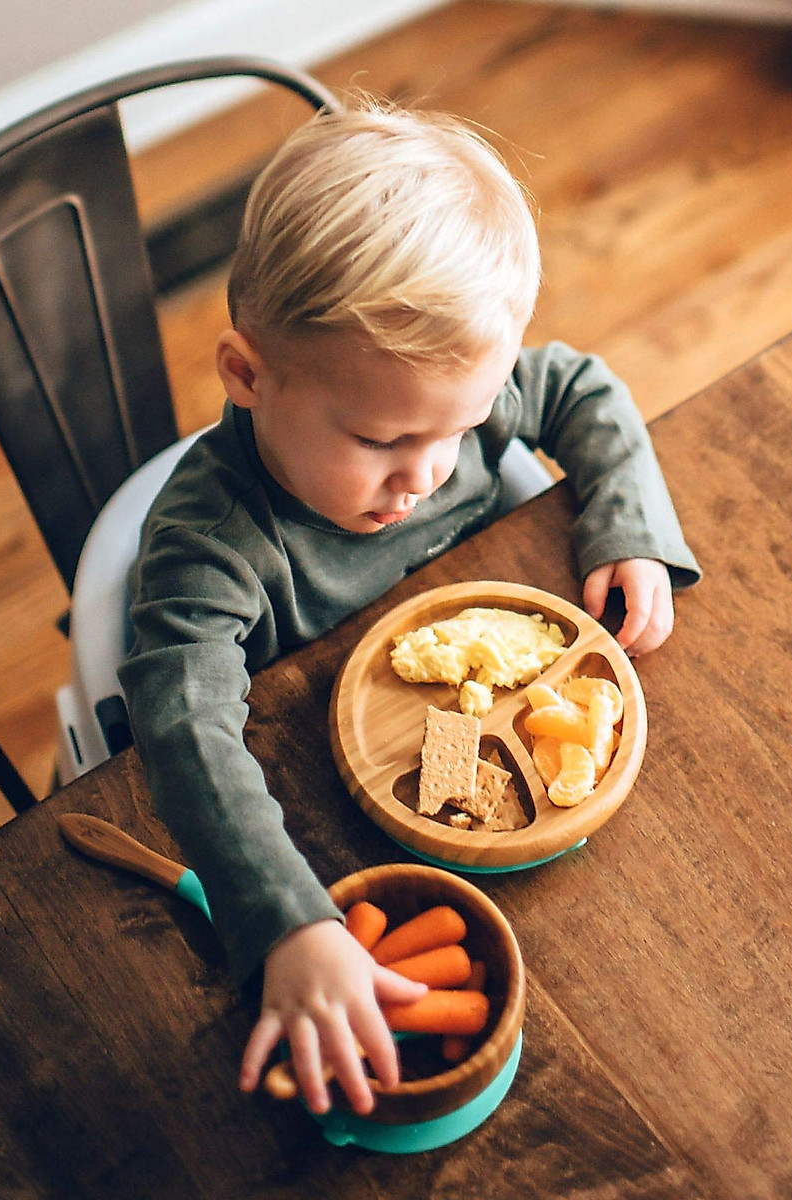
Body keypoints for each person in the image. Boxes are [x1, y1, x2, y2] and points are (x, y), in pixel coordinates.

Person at [118, 97, 701, 1119]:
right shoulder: (209, 547)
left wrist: (628, 528)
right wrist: (288, 925)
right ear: (249, 376)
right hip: (328, 815)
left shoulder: (444, 409)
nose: (428, 473)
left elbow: (585, 390)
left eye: (463, 427)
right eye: (384, 443)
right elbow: (184, 726)